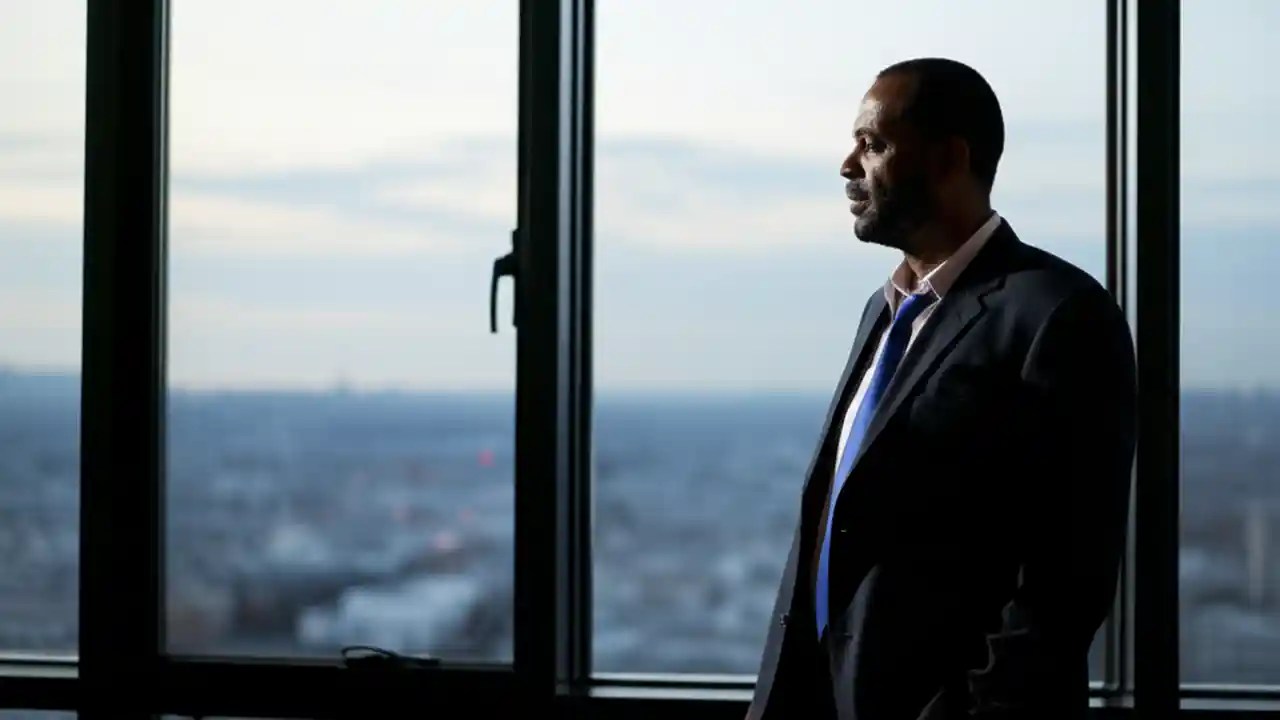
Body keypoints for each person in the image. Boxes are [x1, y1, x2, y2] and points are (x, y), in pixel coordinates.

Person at [745, 58, 1137, 720]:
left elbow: (1066, 581)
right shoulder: (884, 307)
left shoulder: (1059, 314)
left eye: (874, 145)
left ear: (949, 159)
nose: (848, 165)